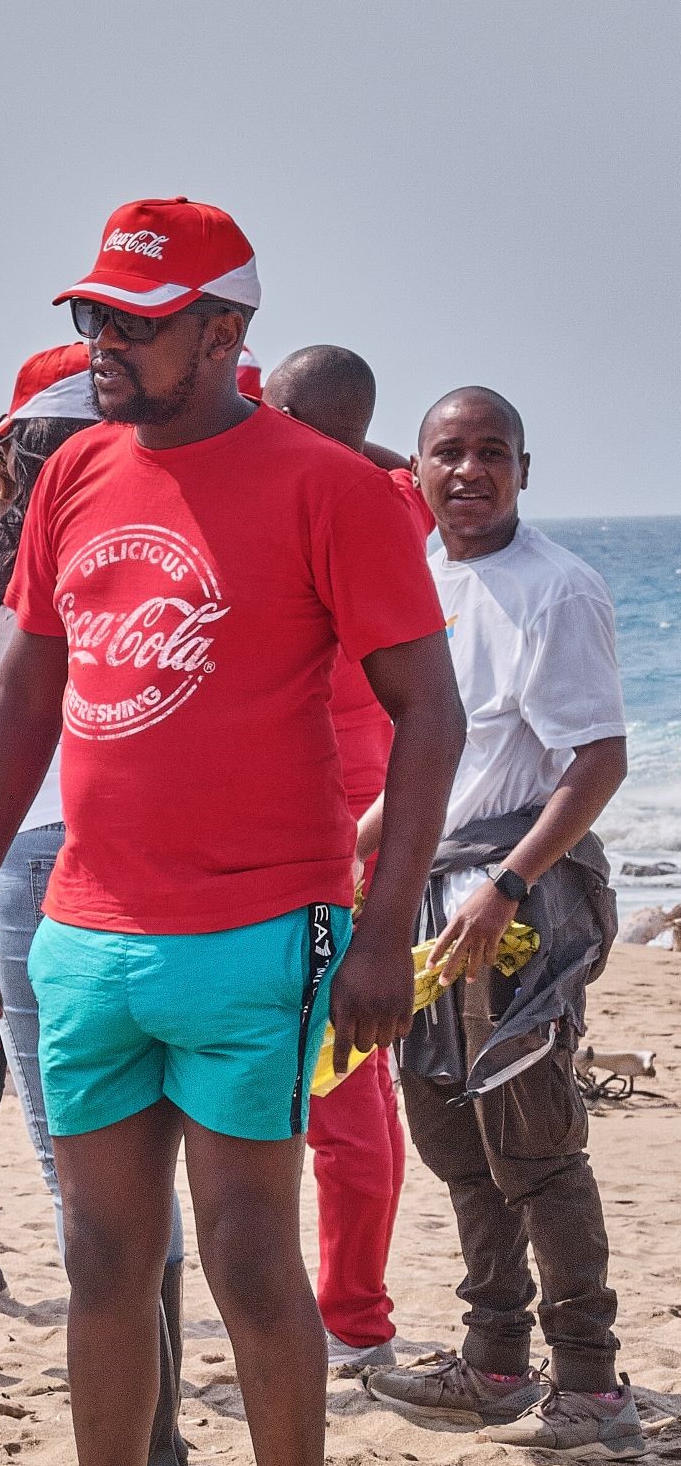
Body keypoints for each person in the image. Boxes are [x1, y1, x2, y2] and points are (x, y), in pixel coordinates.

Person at [0, 198, 464, 1466]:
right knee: (104, 1269)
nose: (102, 339)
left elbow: (431, 714)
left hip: (257, 930)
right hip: (84, 935)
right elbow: (24, 693)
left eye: (137, 318)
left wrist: (381, 927)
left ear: (225, 333)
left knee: (242, 1259)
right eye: (89, 313)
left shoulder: (330, 488)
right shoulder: (74, 475)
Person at [0, 344, 192, 1466]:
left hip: (47, 865)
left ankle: (149, 1445)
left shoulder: (14, 555)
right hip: (187, 863)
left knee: (87, 1172)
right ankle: (163, 1438)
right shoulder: (170, 534)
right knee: (178, 1163)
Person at [362, 387, 640, 1459]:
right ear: (421, 471)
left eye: (491, 453)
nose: (469, 471)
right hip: (430, 891)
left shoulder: (556, 591)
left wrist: (509, 888)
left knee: (534, 1142)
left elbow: (598, 761)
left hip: (522, 894)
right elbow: (449, 753)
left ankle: (591, 1388)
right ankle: (492, 1362)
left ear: (525, 467)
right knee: (451, 1135)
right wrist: (363, 841)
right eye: (449, 453)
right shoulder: (424, 579)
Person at [259, 344, 433, 1374]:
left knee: (340, 1101)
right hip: (330, 831)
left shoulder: (323, 508)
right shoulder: (393, 499)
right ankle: (346, 1311)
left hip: (337, 840)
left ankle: (355, 1323)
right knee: (340, 1098)